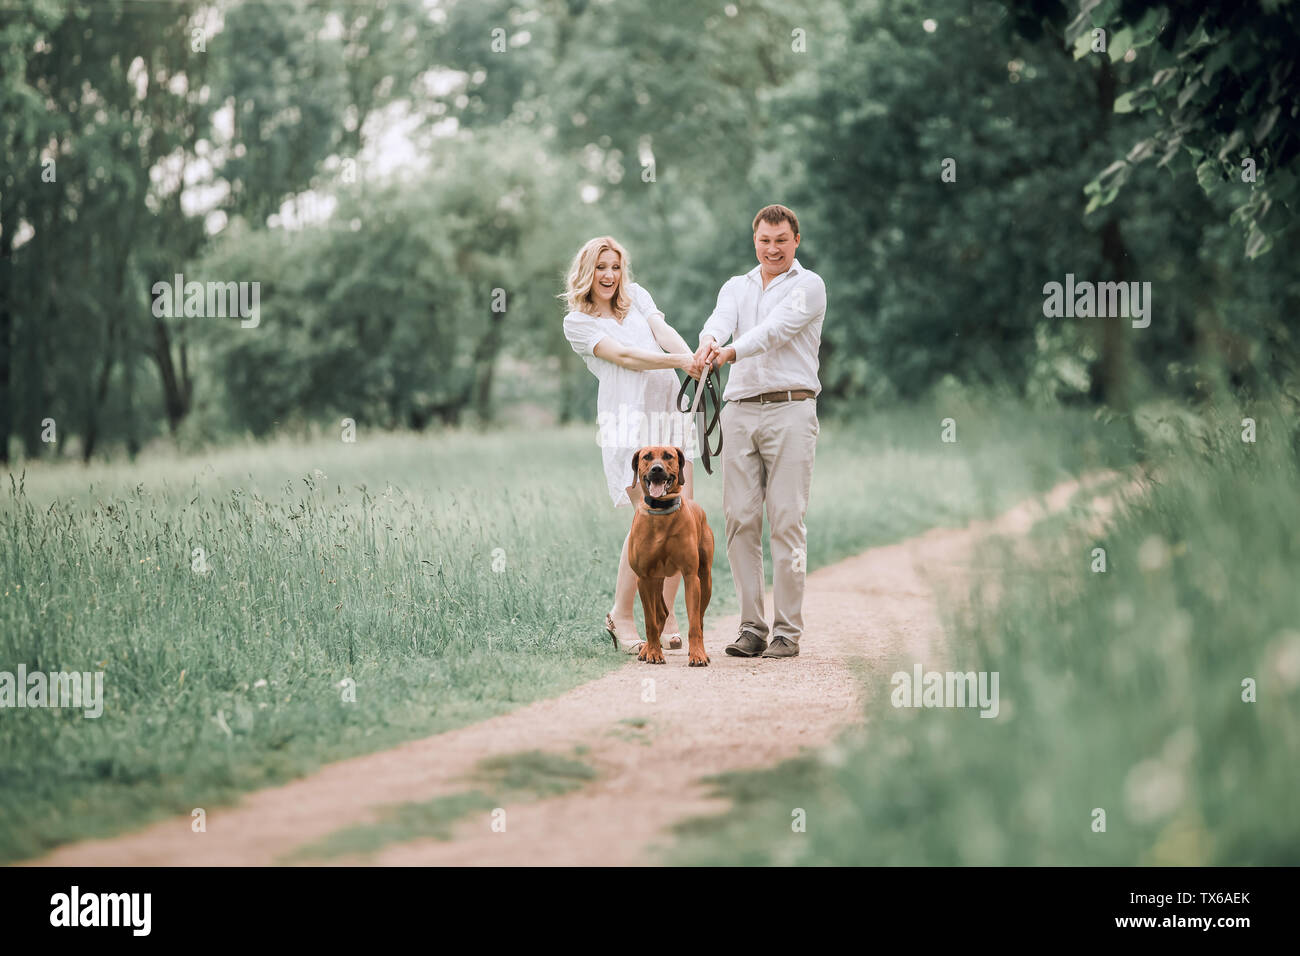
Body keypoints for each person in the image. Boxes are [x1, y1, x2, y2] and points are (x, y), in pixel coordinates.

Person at [561, 236, 704, 654]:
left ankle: (665, 612)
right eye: (601, 267)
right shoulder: (578, 322)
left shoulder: (637, 297)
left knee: (683, 518)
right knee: (646, 521)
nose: (609, 275)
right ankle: (621, 616)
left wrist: (691, 358)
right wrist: (680, 362)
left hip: (667, 412)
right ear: (587, 272)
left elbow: (662, 332)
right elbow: (626, 356)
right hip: (628, 421)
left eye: (615, 267)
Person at [695, 204, 826, 659]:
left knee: (787, 519)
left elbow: (774, 332)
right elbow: (719, 320)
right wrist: (709, 341)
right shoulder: (736, 286)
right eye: (765, 240)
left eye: (781, 240)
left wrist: (728, 354)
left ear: (795, 241)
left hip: (791, 409)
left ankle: (788, 631)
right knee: (740, 518)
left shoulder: (809, 286)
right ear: (755, 240)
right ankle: (752, 627)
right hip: (739, 411)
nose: (772, 248)